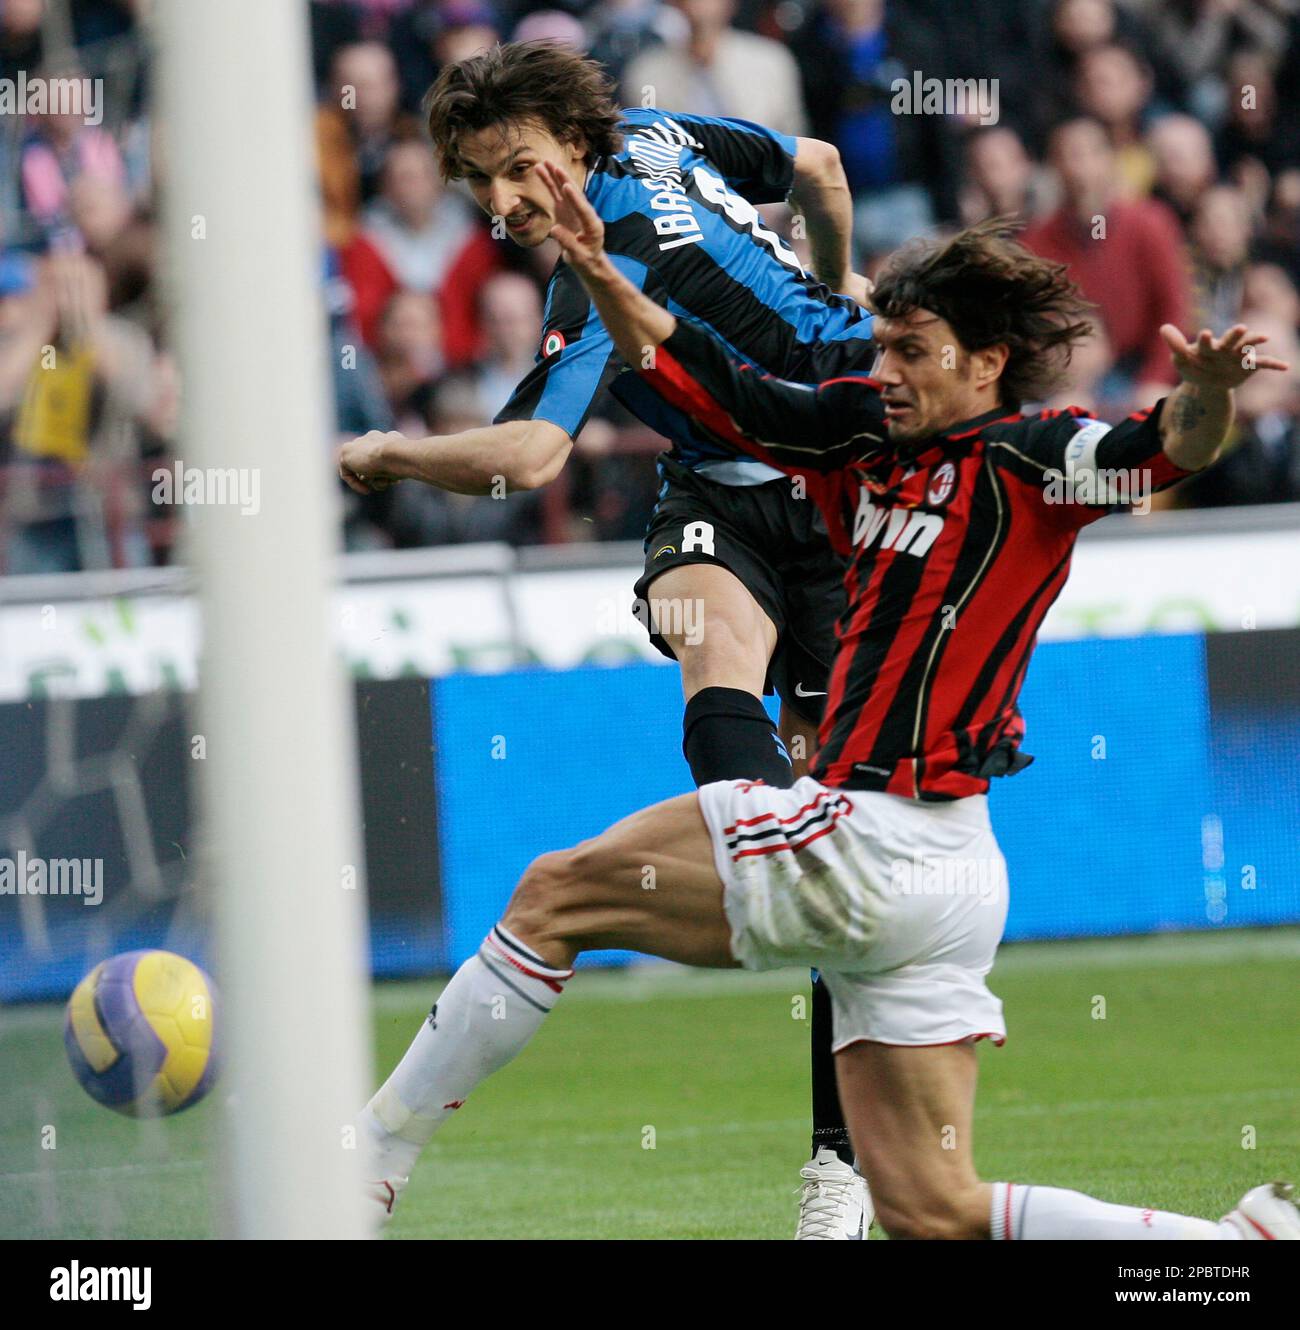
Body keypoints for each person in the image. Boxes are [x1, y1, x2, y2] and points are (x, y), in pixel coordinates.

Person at [359, 171, 1298, 1241]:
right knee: (929, 1210)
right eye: (882, 347)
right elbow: (717, 383)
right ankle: (1236, 1250)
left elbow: (1163, 447)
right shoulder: (858, 437)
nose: (884, 371)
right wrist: (596, 270)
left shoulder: (1033, 459)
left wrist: (1207, 391)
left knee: (551, 896)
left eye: (913, 352)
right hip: (949, 875)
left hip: (879, 840)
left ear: (986, 361)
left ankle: (367, 1161)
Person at [340, 39, 877, 1238]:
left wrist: (387, 452)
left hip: (838, 495)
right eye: (481, 181)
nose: (505, 200)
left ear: (572, 143)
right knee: (715, 664)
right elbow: (823, 168)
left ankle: (839, 1163)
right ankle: (765, 862)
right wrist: (840, 289)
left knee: (837, 848)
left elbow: (531, 457)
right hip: (719, 489)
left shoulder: (602, 265)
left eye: (518, 166)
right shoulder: (661, 133)